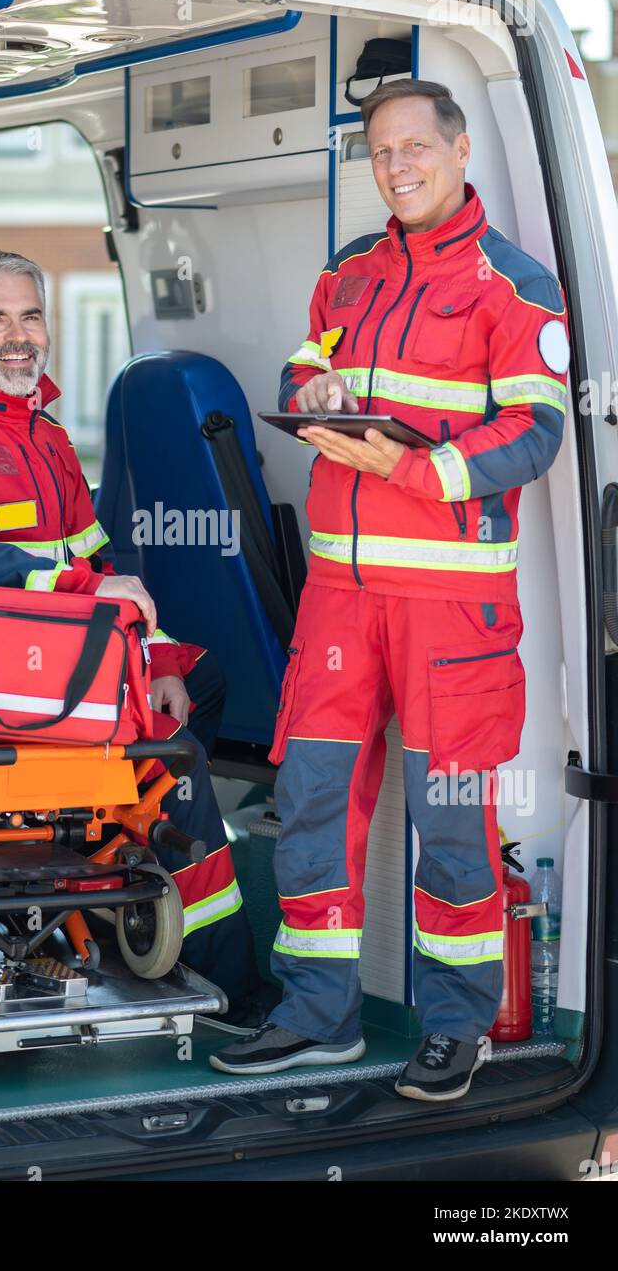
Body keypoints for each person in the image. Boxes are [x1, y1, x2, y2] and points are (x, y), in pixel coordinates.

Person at [210, 79, 569, 1097]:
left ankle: (457, 1027)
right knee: (311, 800)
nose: (397, 166)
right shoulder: (349, 271)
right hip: (340, 594)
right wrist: (312, 391)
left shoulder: (517, 286)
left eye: (415, 146)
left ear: (458, 151)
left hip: (452, 606)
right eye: (380, 151)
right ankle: (315, 1013)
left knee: (451, 821)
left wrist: (413, 470)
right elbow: (302, 367)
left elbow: (534, 434)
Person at [0, 248, 269, 1032]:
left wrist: (154, 657)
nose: (19, 336)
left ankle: (128, 859)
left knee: (201, 680)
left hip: (31, 667)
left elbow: (96, 568)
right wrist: (81, 591)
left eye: (31, 316)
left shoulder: (41, 436)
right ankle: (226, 983)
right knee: (175, 759)